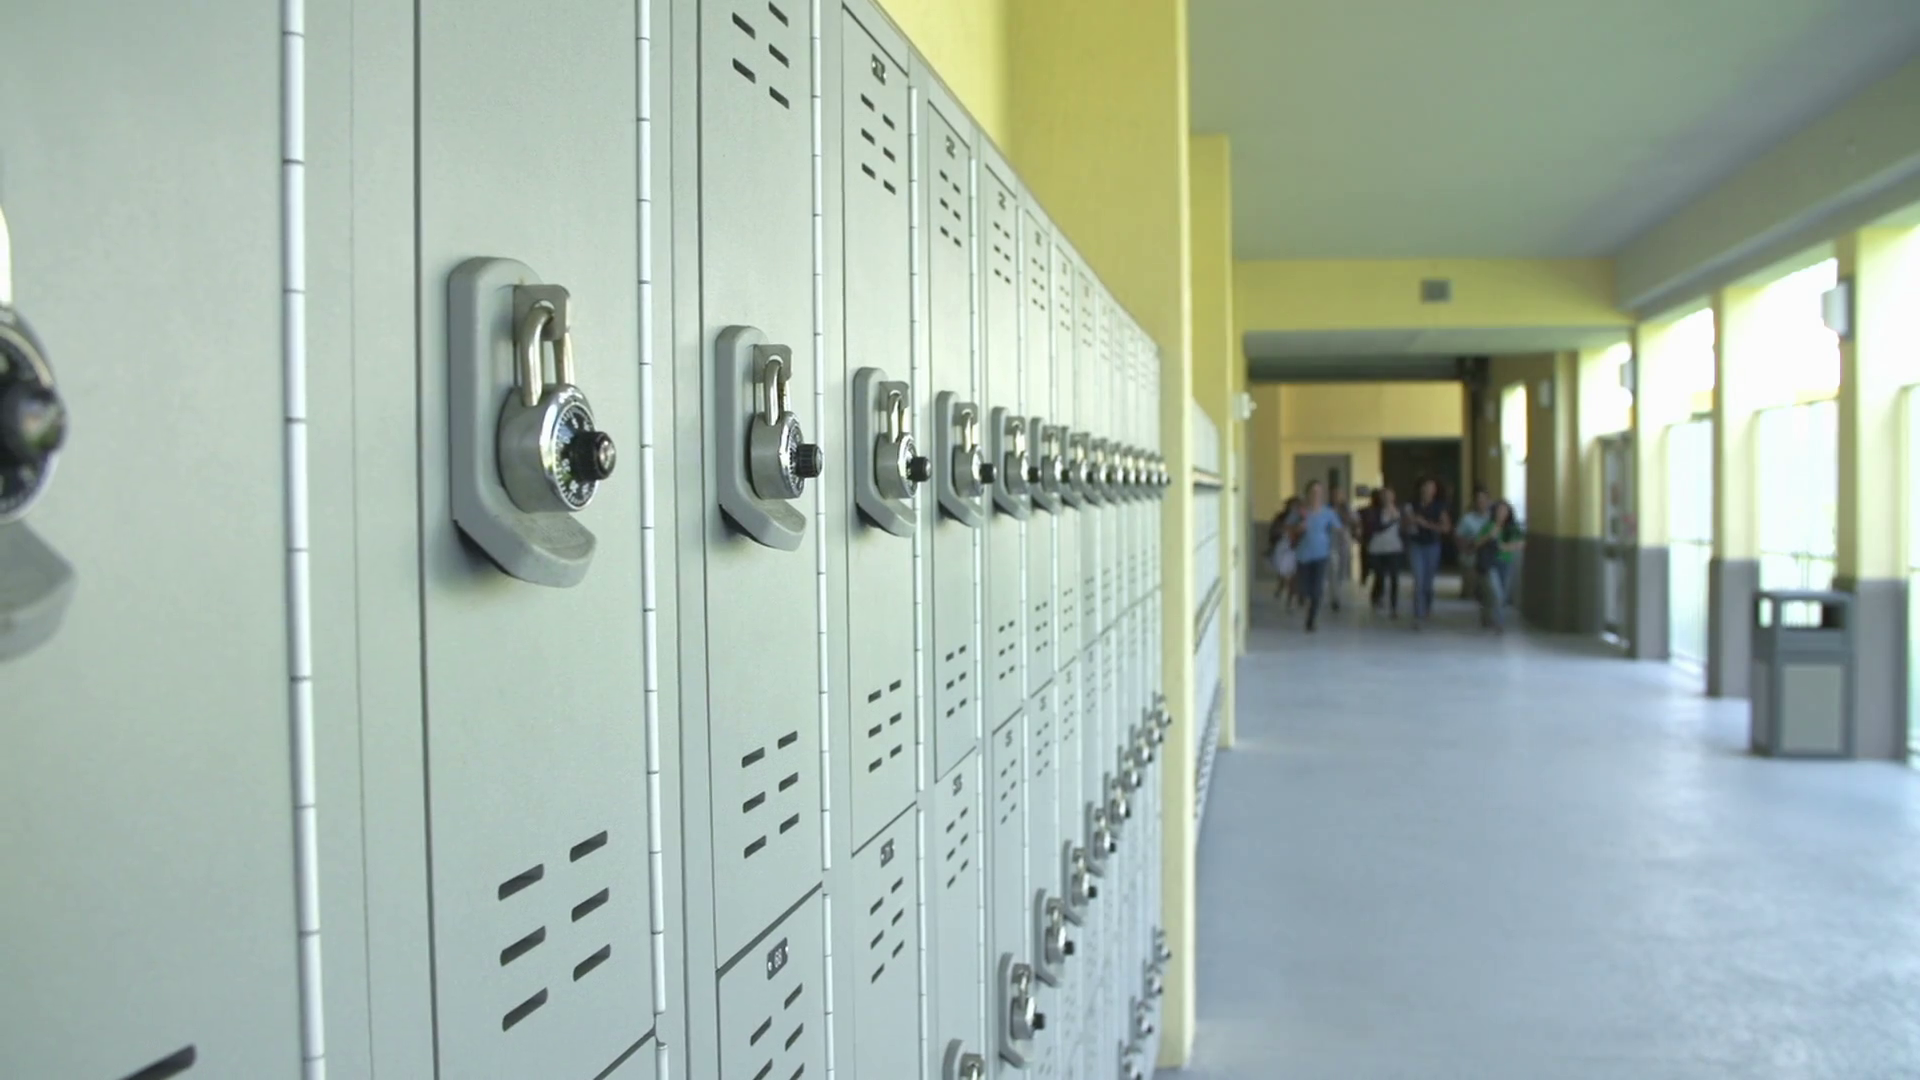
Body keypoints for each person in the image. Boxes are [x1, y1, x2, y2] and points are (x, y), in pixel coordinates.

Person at [1289, 480, 1346, 632]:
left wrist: (1341, 538)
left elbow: (1339, 528)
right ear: (1307, 494)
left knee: (1317, 588)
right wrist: (1297, 528)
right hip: (1303, 555)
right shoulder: (1300, 512)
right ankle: (1303, 597)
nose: (1316, 495)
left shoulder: (1328, 512)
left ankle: (1311, 619)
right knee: (1305, 588)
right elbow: (1287, 528)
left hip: (1322, 554)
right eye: (1313, 492)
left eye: (1319, 492)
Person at [1472, 500, 1526, 634]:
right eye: (1499, 510)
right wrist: (1489, 536)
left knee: (1501, 593)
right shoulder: (1489, 526)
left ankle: (1487, 614)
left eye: (1505, 511)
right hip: (1490, 563)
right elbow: (1476, 543)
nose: (1502, 513)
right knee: (1497, 593)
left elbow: (1521, 543)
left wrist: (1505, 547)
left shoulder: (1513, 528)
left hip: (1505, 562)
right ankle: (1499, 623)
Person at [1404, 476, 1451, 628]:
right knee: (1418, 581)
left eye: (1431, 487)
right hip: (1415, 544)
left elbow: (1446, 528)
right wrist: (1409, 522)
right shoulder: (1412, 505)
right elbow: (1403, 525)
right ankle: (1419, 615)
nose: (1427, 490)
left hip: (1432, 546)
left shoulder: (1439, 507)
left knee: (1427, 583)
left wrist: (1426, 524)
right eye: (1425, 487)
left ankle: (1427, 607)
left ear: (1435, 490)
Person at [1362, 485, 1404, 617]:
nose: (1386, 498)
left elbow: (1404, 529)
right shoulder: (1374, 512)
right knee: (1379, 576)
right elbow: (1376, 527)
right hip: (1377, 549)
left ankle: (1394, 606)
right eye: (1384, 495)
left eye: (1389, 495)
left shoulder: (1400, 510)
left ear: (1394, 497)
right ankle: (1376, 597)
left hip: (1394, 548)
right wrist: (1392, 520)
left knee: (1394, 578)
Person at [1455, 487, 1493, 620]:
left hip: (1489, 559)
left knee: (1488, 587)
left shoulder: (1493, 518)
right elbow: (1459, 538)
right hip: (1472, 558)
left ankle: (1488, 614)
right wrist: (1466, 549)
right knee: (1478, 588)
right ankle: (1485, 611)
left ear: (1489, 501)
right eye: (1478, 500)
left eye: (1484, 500)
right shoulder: (1467, 519)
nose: (1481, 503)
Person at [1266, 497, 1302, 604]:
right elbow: (1274, 531)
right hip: (1282, 546)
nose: (1293, 507)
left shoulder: (1301, 517)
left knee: (1293, 575)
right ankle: (1283, 588)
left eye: (1296, 505)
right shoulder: (1280, 517)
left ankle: (1291, 598)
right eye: (1292, 505)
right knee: (1283, 571)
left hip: (1295, 548)